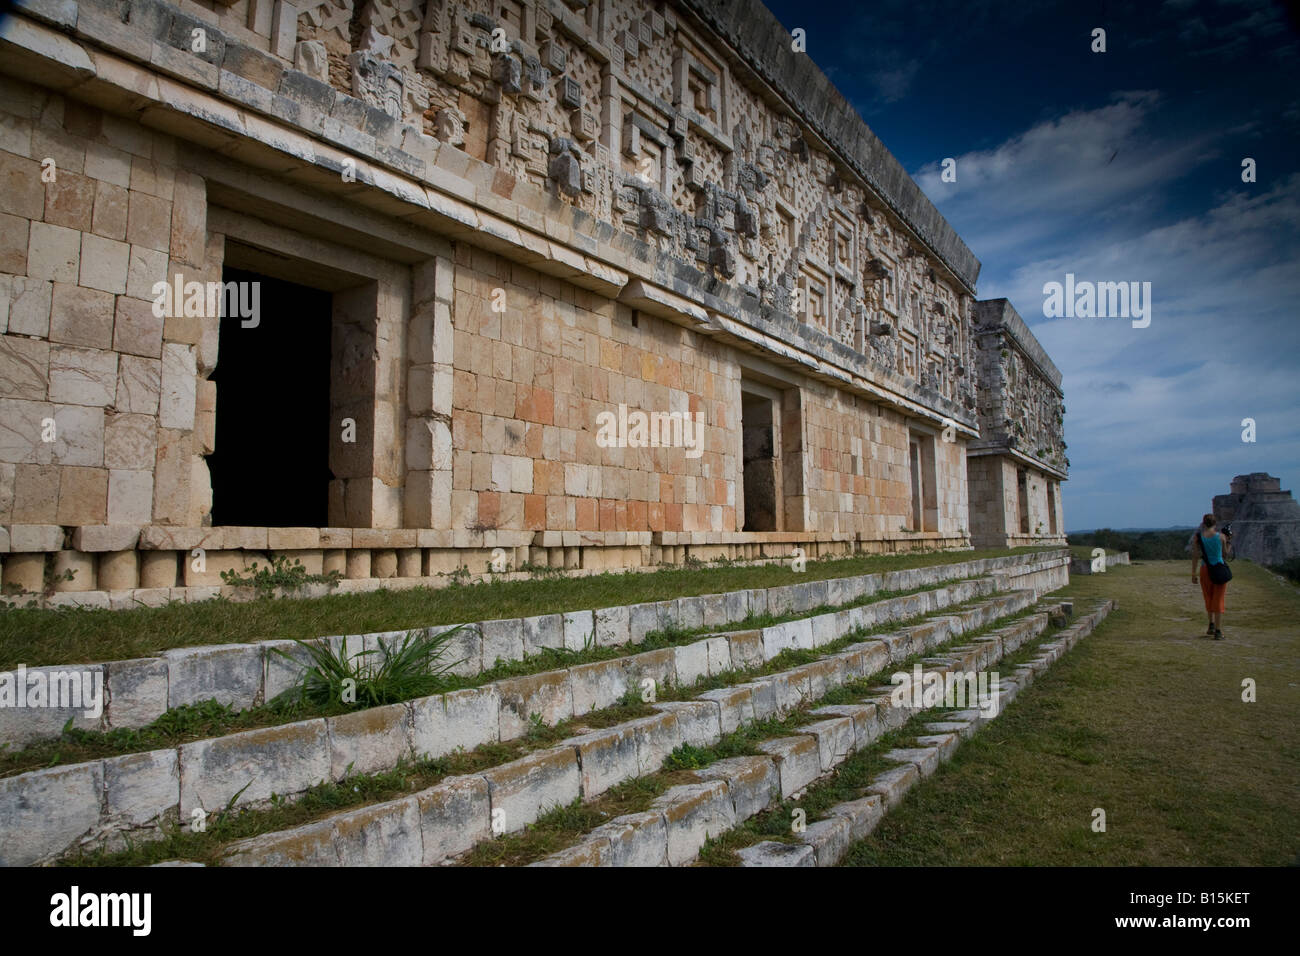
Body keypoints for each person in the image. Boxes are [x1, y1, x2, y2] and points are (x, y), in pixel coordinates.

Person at [1191, 513, 1232, 640]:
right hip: (1218, 568)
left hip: (1205, 569)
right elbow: (1225, 554)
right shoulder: (1221, 537)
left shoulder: (1198, 537)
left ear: (1203, 524)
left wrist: (1193, 572)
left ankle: (1211, 625)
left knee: (1208, 597)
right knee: (1218, 599)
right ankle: (1218, 631)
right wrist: (1229, 541)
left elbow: (1195, 555)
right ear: (1215, 524)